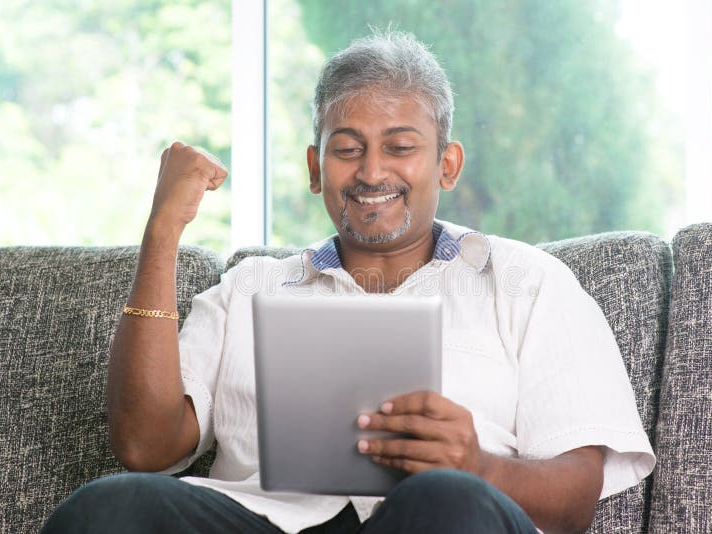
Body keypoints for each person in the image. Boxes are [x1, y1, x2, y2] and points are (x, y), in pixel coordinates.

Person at [42, 31, 654, 534]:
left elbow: (576, 499)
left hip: (441, 521)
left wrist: (479, 467)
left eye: (400, 146)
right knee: (109, 508)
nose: (371, 171)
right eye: (347, 148)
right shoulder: (250, 287)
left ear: (448, 163)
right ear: (316, 168)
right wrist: (163, 231)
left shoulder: (526, 282)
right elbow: (146, 447)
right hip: (267, 523)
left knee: (448, 500)